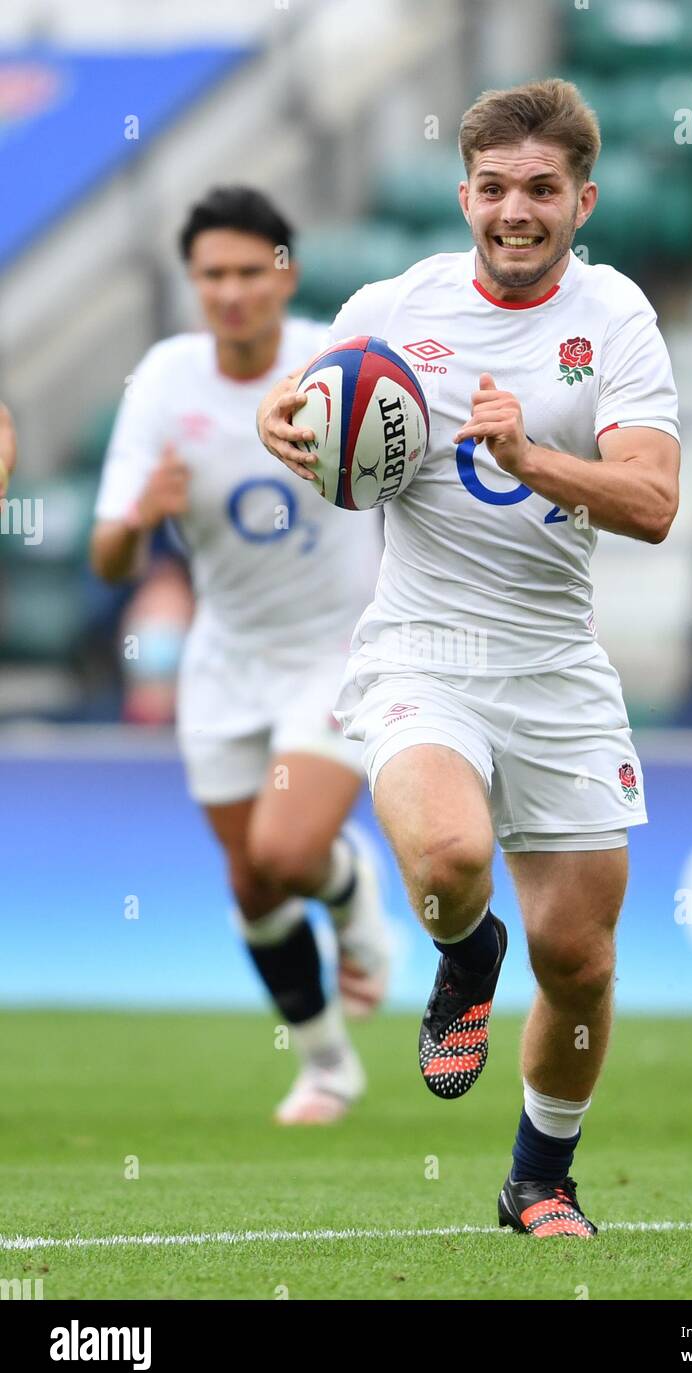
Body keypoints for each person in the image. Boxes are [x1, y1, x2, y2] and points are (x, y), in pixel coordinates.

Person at [257, 80, 680, 1234]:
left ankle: (538, 1178)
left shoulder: (616, 319)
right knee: (449, 858)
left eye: (541, 189)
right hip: (420, 652)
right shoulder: (395, 305)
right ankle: (463, 943)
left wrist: (532, 453)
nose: (513, 211)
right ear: (463, 195)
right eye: (492, 188)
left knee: (578, 958)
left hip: (556, 668)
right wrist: (279, 427)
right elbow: (292, 405)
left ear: (581, 200)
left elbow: (651, 501)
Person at [91, 186, 387, 1125]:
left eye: (250, 271)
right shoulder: (166, 381)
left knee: (287, 847)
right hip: (224, 661)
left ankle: (349, 887)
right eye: (213, 274)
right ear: (192, 282)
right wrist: (141, 517)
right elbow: (110, 558)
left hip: (338, 649)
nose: (231, 291)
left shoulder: (336, 367)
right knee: (253, 883)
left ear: (284, 273)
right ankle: (327, 1064)